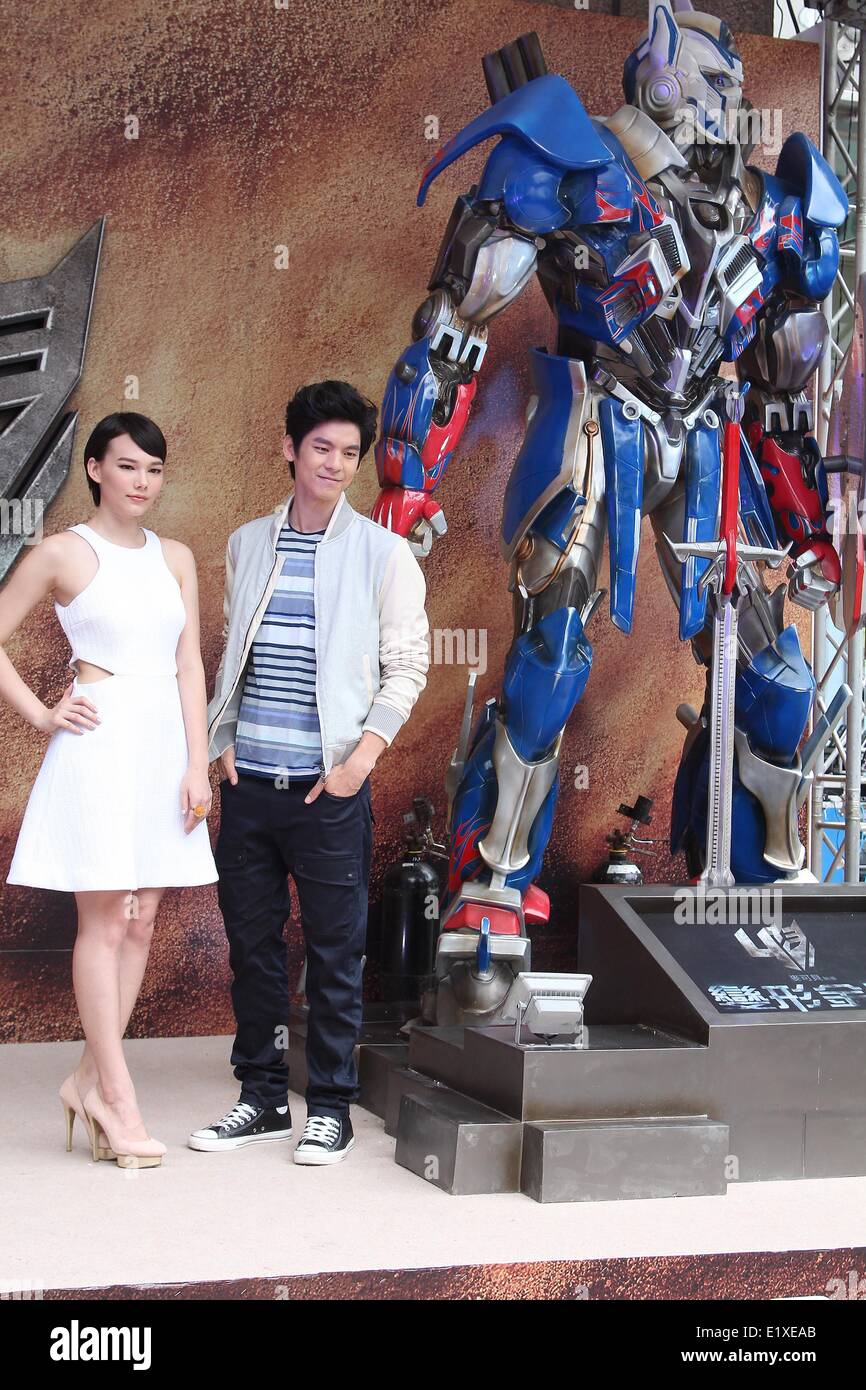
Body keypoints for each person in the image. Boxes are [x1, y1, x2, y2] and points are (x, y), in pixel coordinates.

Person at [190, 380, 429, 1164]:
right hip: (250, 787)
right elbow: (236, 649)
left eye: (350, 453)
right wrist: (222, 736)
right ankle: (259, 1097)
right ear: (291, 449)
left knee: (335, 953)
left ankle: (331, 1106)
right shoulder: (248, 541)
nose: (335, 464)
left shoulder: (384, 553)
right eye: (321, 447)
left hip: (328, 791)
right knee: (252, 949)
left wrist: (361, 762)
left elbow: (408, 667)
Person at [1, 412, 218, 1169]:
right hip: (97, 748)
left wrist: (197, 762)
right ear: (95, 469)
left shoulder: (179, 558)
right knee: (104, 921)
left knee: (143, 919)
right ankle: (118, 1098)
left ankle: (87, 1082)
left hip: (164, 749)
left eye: (154, 471)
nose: (142, 483)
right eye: (127, 467)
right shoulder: (62, 552)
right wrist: (40, 712)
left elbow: (190, 664)